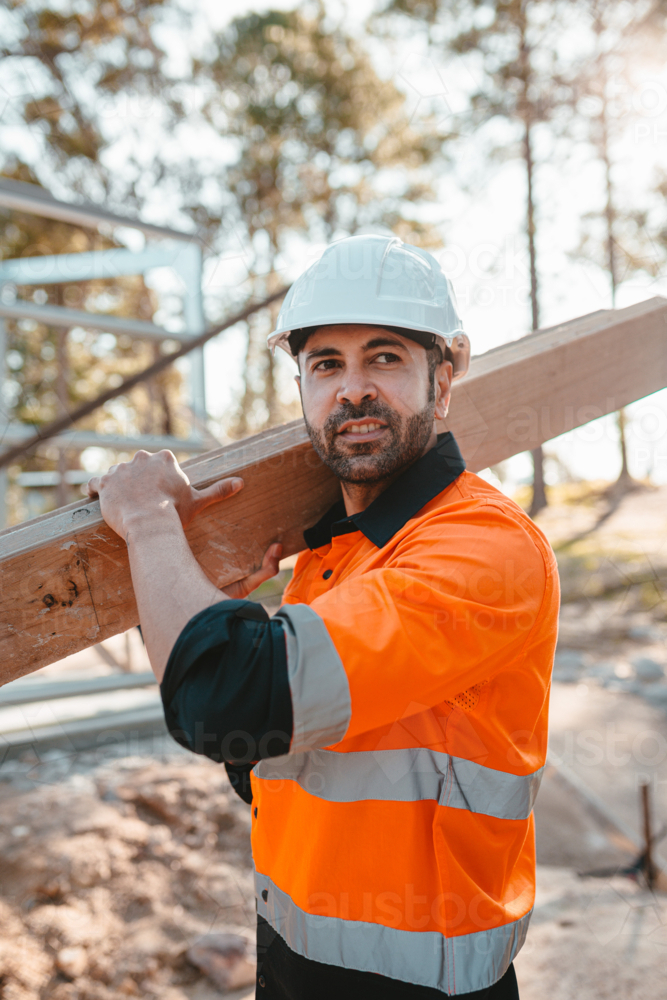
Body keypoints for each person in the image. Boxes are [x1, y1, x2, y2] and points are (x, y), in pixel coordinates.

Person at [88, 235, 559, 999]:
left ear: (442, 383)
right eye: (326, 366)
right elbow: (258, 755)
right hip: (293, 959)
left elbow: (224, 700)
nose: (352, 390)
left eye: (384, 358)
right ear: (304, 388)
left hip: (418, 983)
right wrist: (217, 608)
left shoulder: (483, 548)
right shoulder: (331, 559)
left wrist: (147, 523)